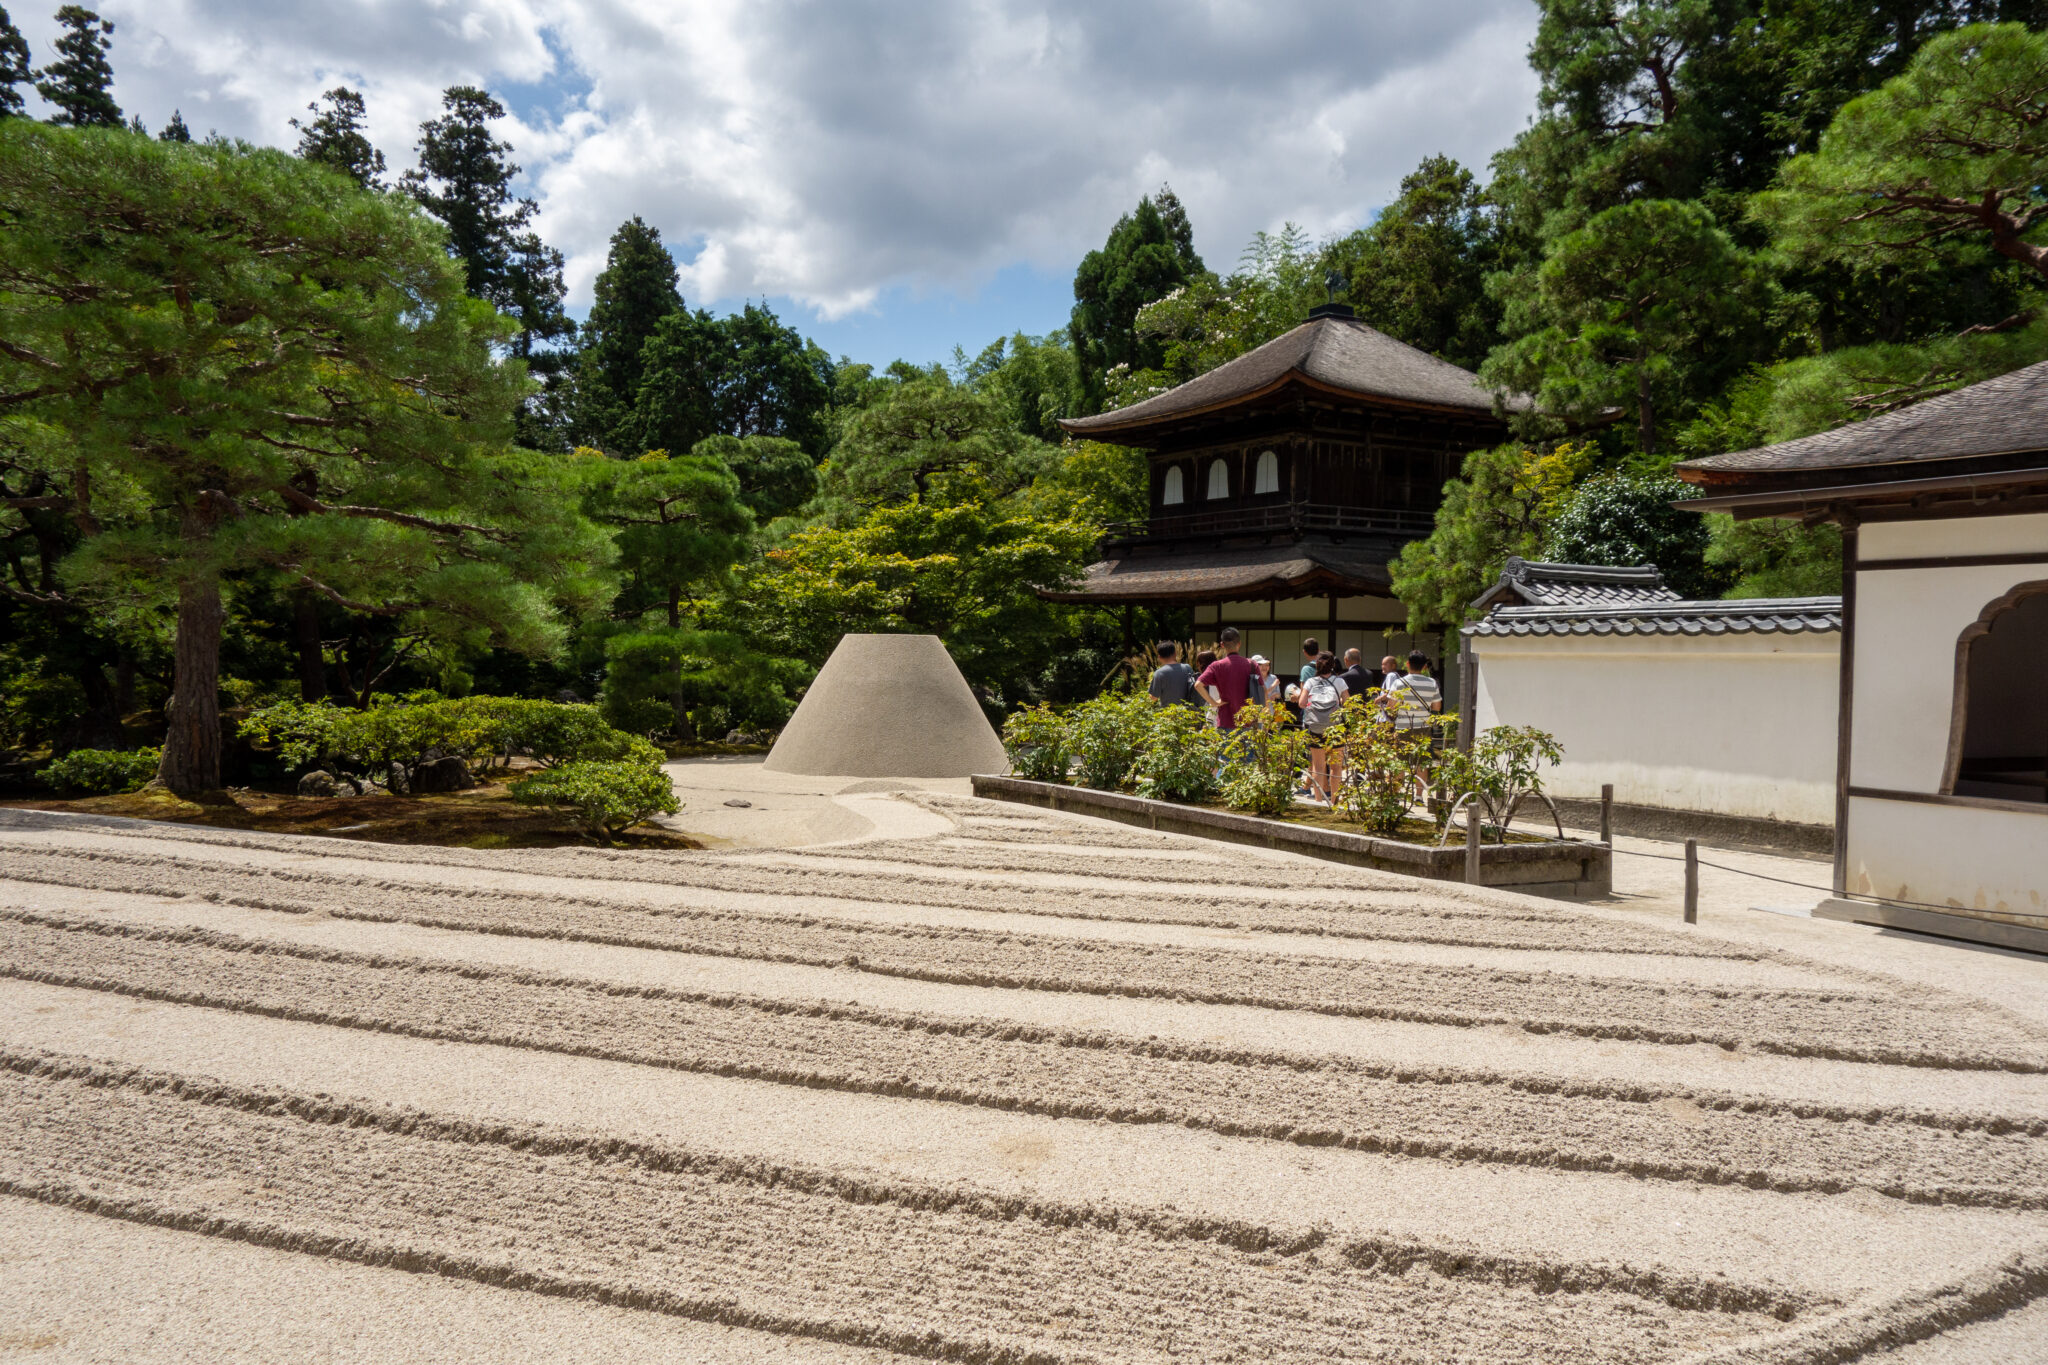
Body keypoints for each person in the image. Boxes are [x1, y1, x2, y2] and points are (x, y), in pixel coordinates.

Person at [1297, 651, 1349, 800]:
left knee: (1318, 767)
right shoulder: (1339, 682)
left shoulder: (1311, 682)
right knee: (1336, 767)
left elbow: (1301, 703)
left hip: (1315, 727)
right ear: (1333, 665)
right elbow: (1348, 703)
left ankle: (1318, 800)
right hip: (1335, 728)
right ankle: (1334, 801)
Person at [1195, 627, 1260, 731]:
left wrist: (1214, 703)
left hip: (1226, 721)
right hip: (1249, 721)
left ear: (1222, 645)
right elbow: (1263, 691)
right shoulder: (1252, 664)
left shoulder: (1217, 666)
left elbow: (1198, 685)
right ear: (1239, 644)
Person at [1147, 642, 1197, 708]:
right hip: (1189, 712)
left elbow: (1154, 698)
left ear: (1159, 657)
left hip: (1169, 714)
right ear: (1175, 654)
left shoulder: (1159, 673)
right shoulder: (1187, 668)